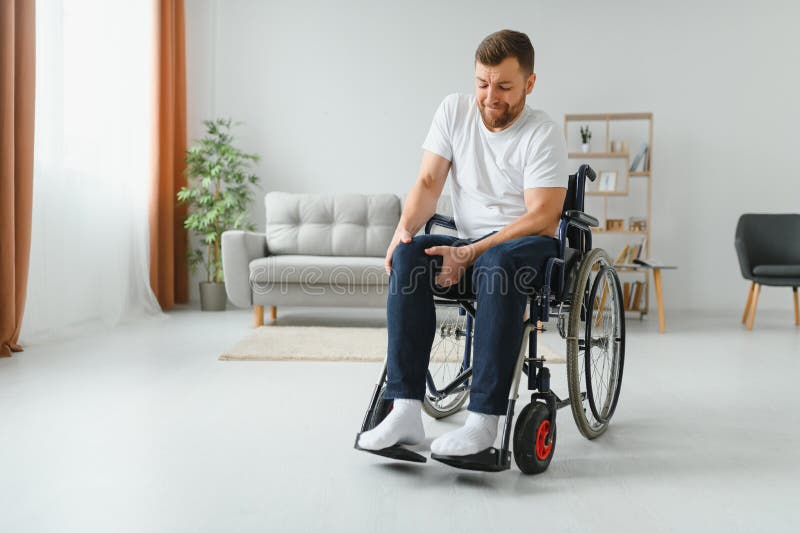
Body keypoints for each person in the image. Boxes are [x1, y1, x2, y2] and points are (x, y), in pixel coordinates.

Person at [358, 29, 568, 457]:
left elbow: (542, 216)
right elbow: (428, 181)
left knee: (497, 262)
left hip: (527, 248)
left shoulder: (542, 133)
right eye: (482, 83)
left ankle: (482, 424)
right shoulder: (454, 112)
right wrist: (403, 231)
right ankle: (406, 412)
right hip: (469, 244)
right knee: (410, 256)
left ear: (529, 83)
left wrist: (474, 250)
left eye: (505, 86)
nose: (491, 96)